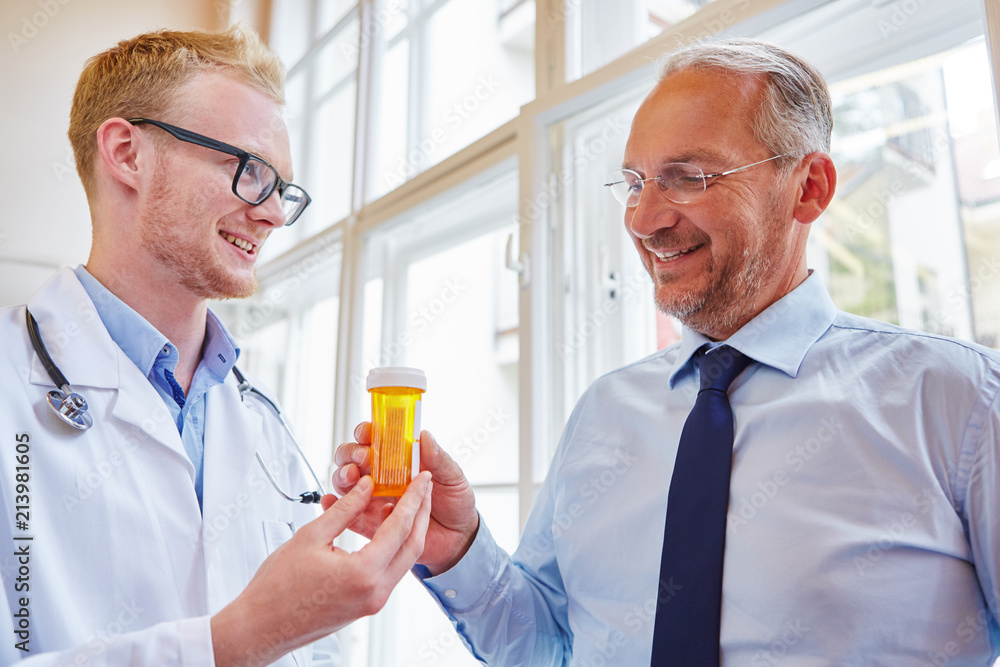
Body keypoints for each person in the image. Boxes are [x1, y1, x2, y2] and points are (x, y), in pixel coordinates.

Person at [333, 38, 1000, 665]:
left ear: (809, 189)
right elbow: (547, 644)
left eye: (688, 178)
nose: (643, 219)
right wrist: (457, 549)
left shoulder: (955, 400)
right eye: (634, 182)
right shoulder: (605, 411)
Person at [0, 26, 433, 666]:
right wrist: (238, 639)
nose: (274, 214)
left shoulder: (259, 420)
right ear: (127, 154)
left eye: (282, 187)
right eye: (249, 170)